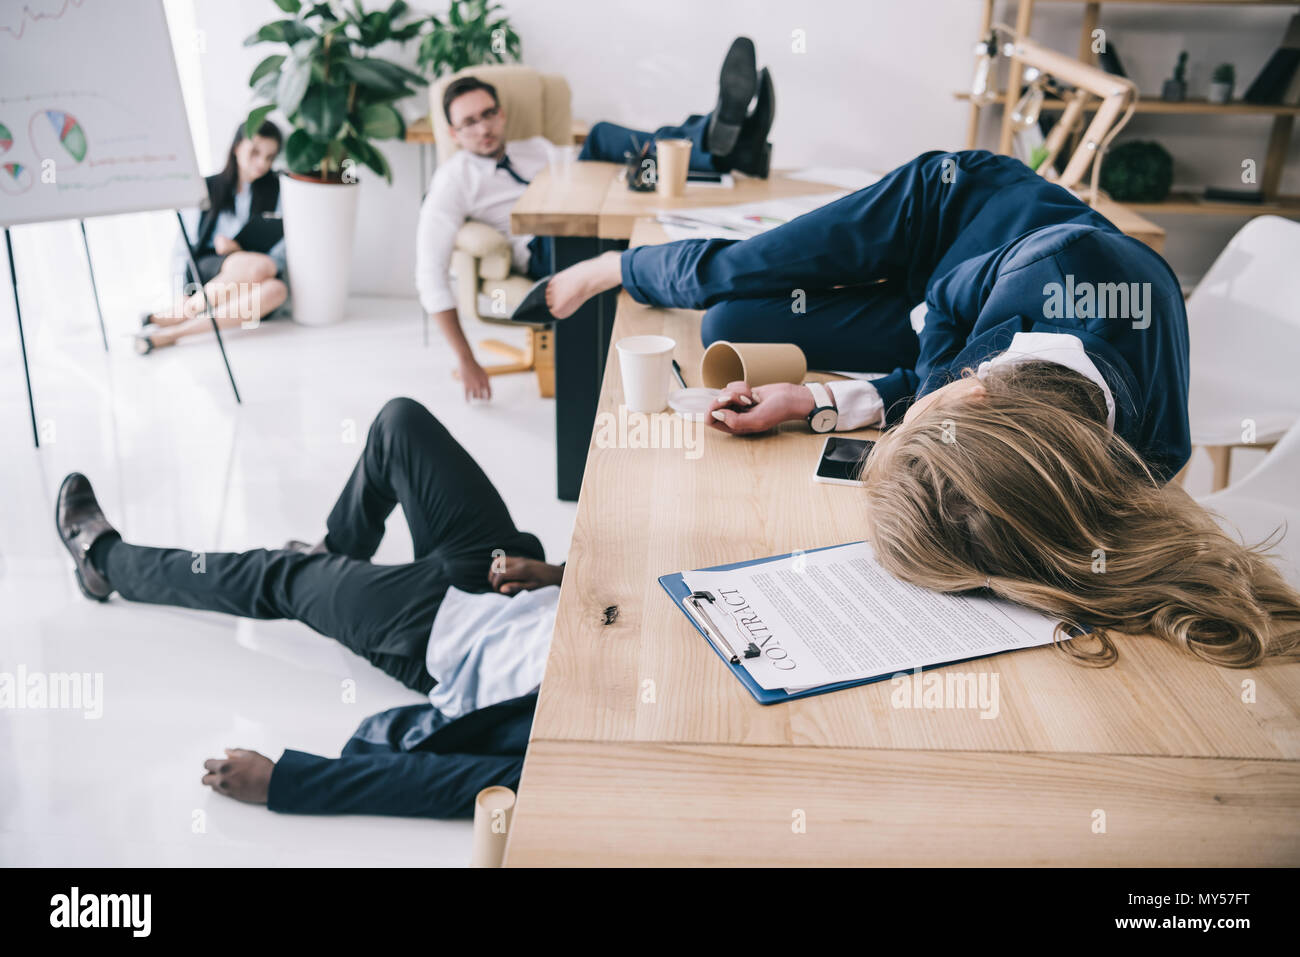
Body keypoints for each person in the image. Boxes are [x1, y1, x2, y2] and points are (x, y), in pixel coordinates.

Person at [542, 147, 1300, 668]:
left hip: (971, 337)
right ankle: (620, 264)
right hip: (949, 213)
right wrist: (891, 398)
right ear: (973, 386)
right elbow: (945, 305)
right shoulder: (1070, 275)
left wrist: (815, 399)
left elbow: (999, 463)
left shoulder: (1117, 470)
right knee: (740, 278)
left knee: (730, 329)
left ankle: (864, 344)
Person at [54, 397, 566, 817]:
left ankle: (105, 561)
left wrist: (288, 783)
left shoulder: (607, 753)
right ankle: (334, 564)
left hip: (439, 631)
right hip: (515, 578)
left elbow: (455, 785)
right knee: (399, 424)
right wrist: (562, 575)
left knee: (277, 576)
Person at [416, 36, 775, 400]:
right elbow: (429, 275)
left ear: (501, 113)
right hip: (547, 246)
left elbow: (612, 161)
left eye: (489, 114)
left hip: (584, 207)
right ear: (453, 133)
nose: (483, 128)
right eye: (469, 122)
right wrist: (466, 358)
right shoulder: (453, 179)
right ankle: (727, 146)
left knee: (605, 139)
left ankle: (722, 144)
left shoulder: (533, 148)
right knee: (606, 141)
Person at [136, 121, 290, 354]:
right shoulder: (208, 187)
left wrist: (237, 251)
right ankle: (182, 311)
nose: (262, 163)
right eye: (255, 152)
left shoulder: (278, 191)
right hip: (207, 272)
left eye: (269, 157)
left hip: (249, 281)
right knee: (261, 266)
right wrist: (179, 292)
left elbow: (281, 251)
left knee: (277, 290)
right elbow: (183, 247)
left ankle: (174, 332)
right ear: (237, 147)